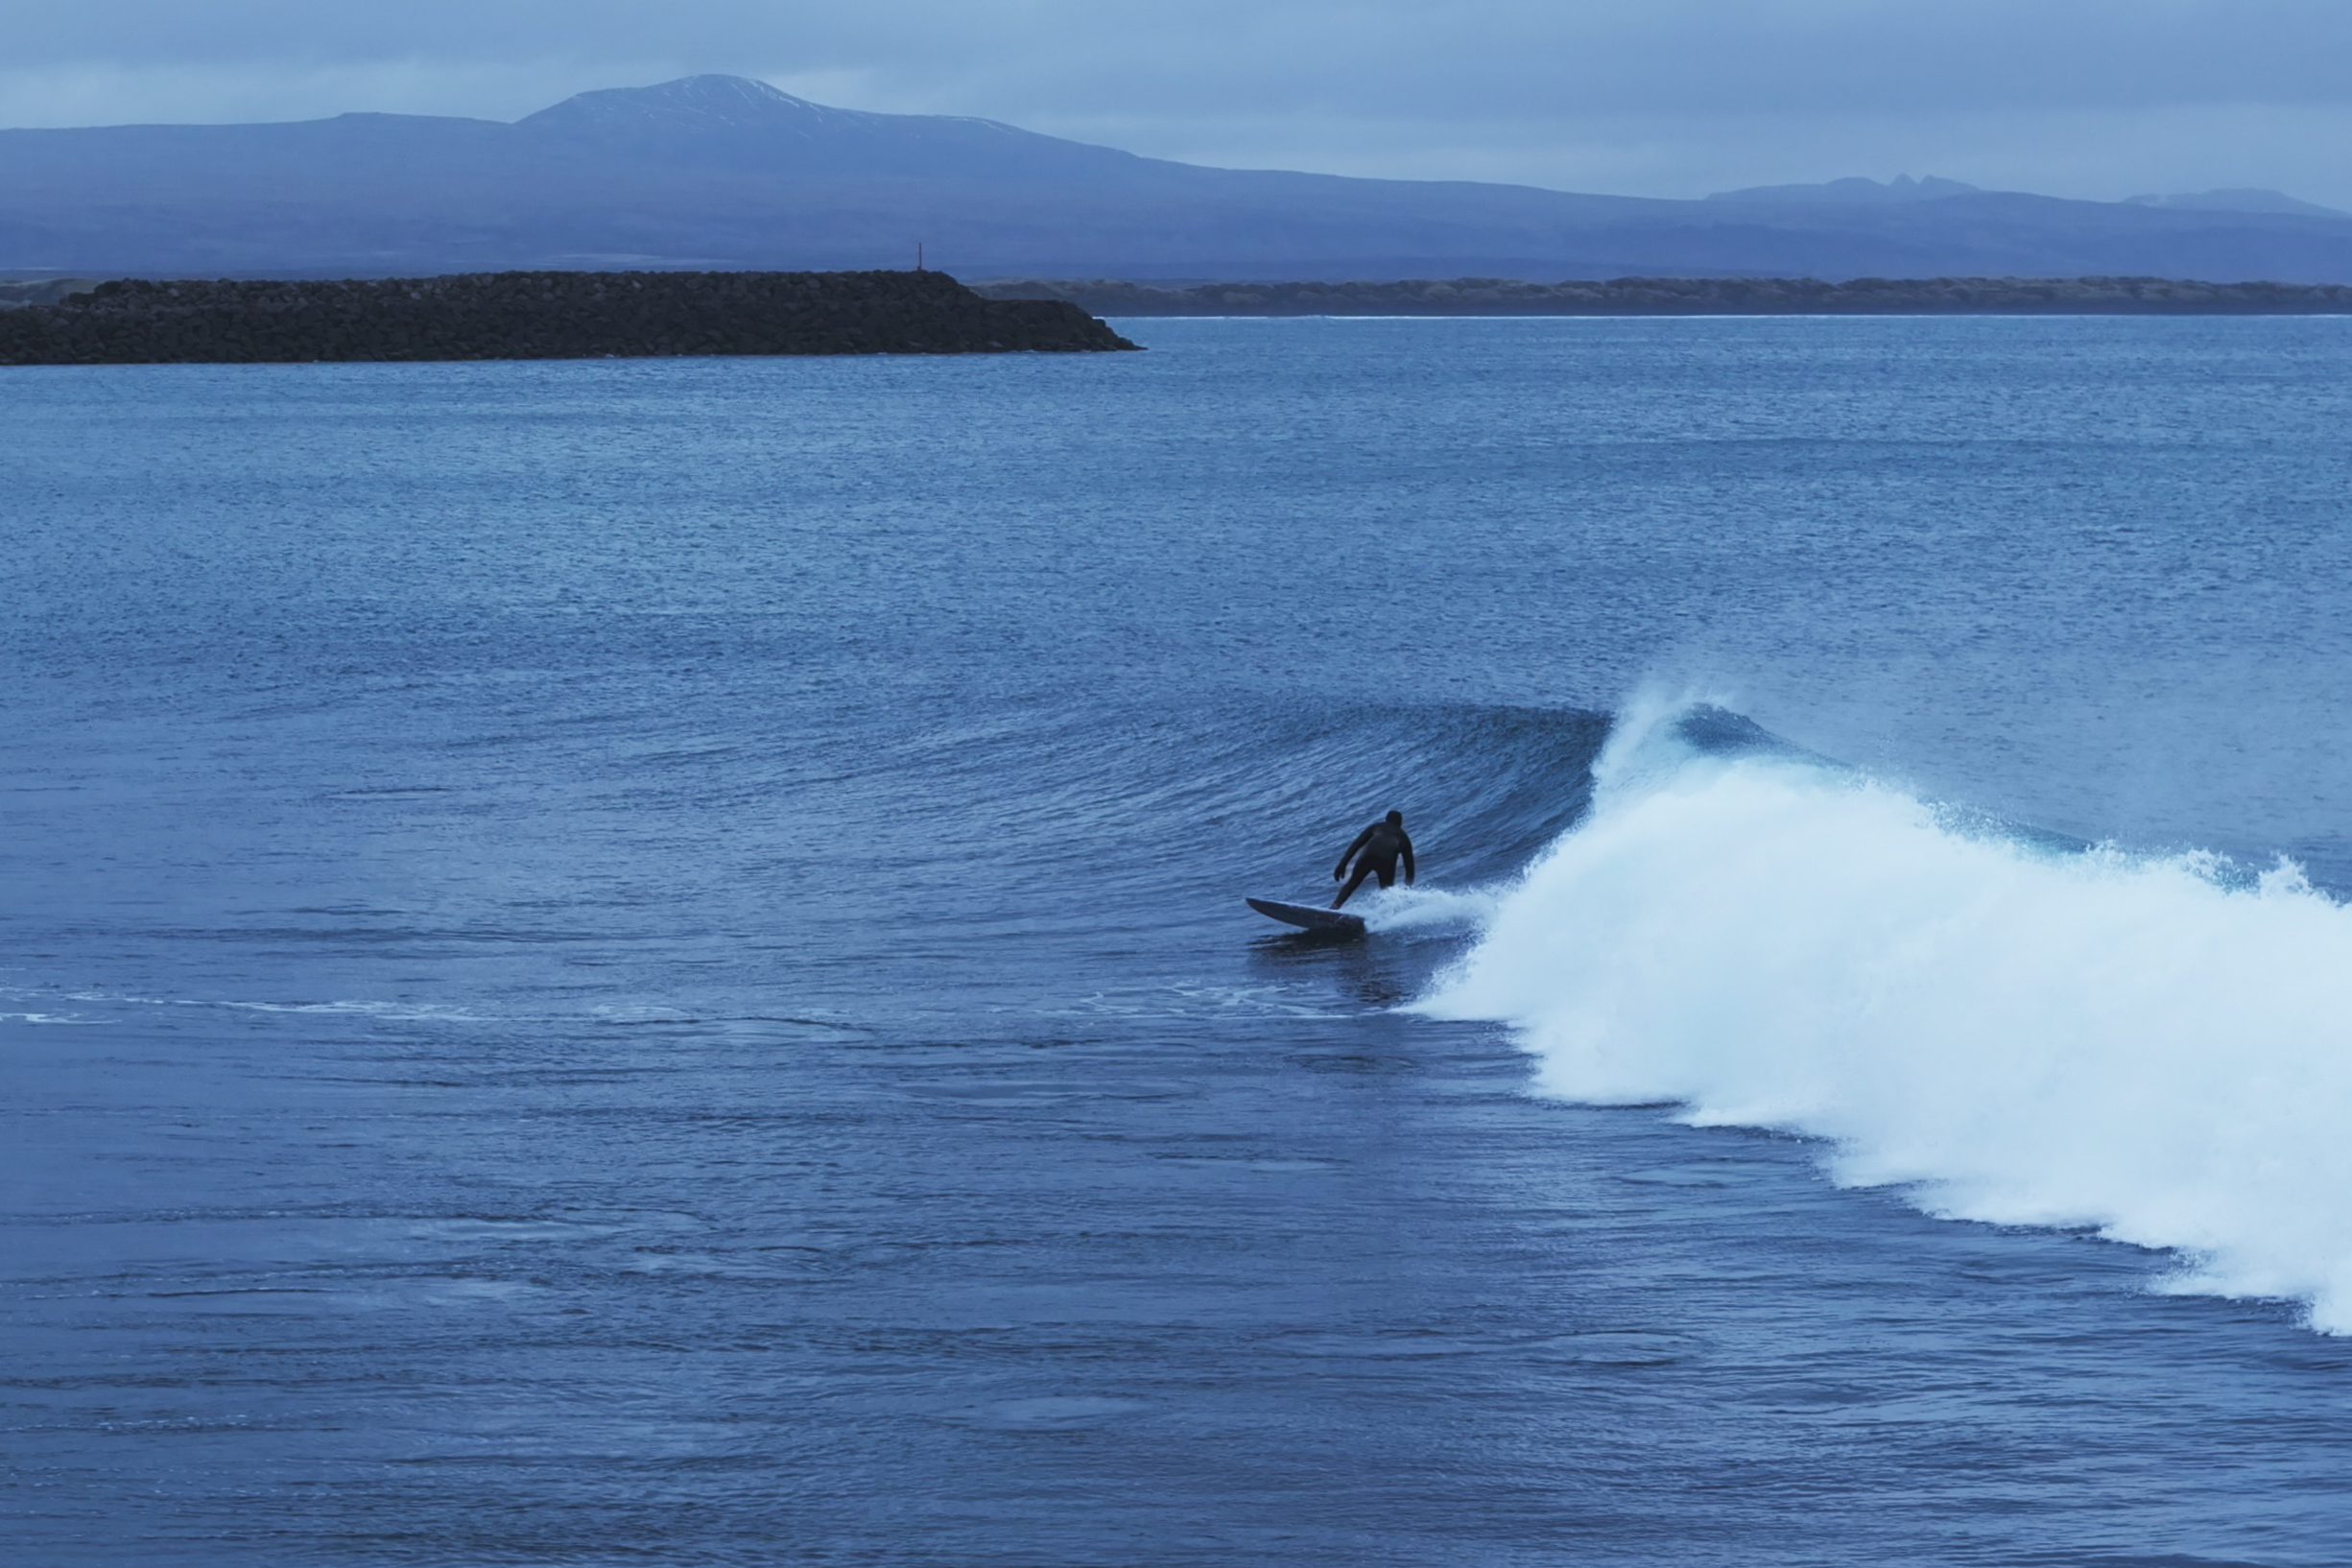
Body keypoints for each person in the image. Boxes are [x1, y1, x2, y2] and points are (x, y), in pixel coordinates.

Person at [1332, 810, 1415, 909]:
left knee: (1352, 883)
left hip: (1368, 853)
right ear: (1400, 824)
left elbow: (1356, 844)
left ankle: (1335, 906)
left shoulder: (1377, 826)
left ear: (1386, 820)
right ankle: (1388, 914)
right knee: (1387, 891)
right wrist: (1407, 888)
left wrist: (1342, 864)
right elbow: (1410, 869)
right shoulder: (1404, 838)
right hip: (1387, 859)